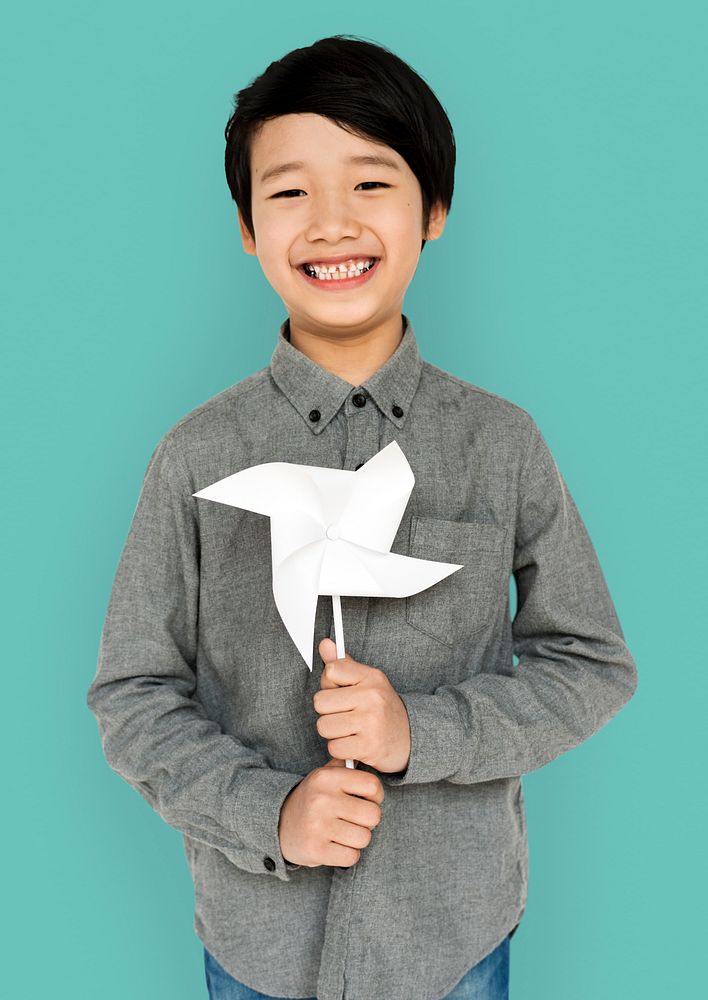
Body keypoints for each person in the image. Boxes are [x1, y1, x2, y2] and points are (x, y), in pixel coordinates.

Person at [86, 34, 638, 1000]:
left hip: (453, 932)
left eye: (370, 184)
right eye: (290, 191)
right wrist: (271, 812)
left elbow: (591, 665)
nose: (330, 223)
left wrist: (416, 736)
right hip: (260, 939)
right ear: (249, 230)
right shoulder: (197, 456)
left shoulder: (501, 445)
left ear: (434, 210)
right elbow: (133, 694)